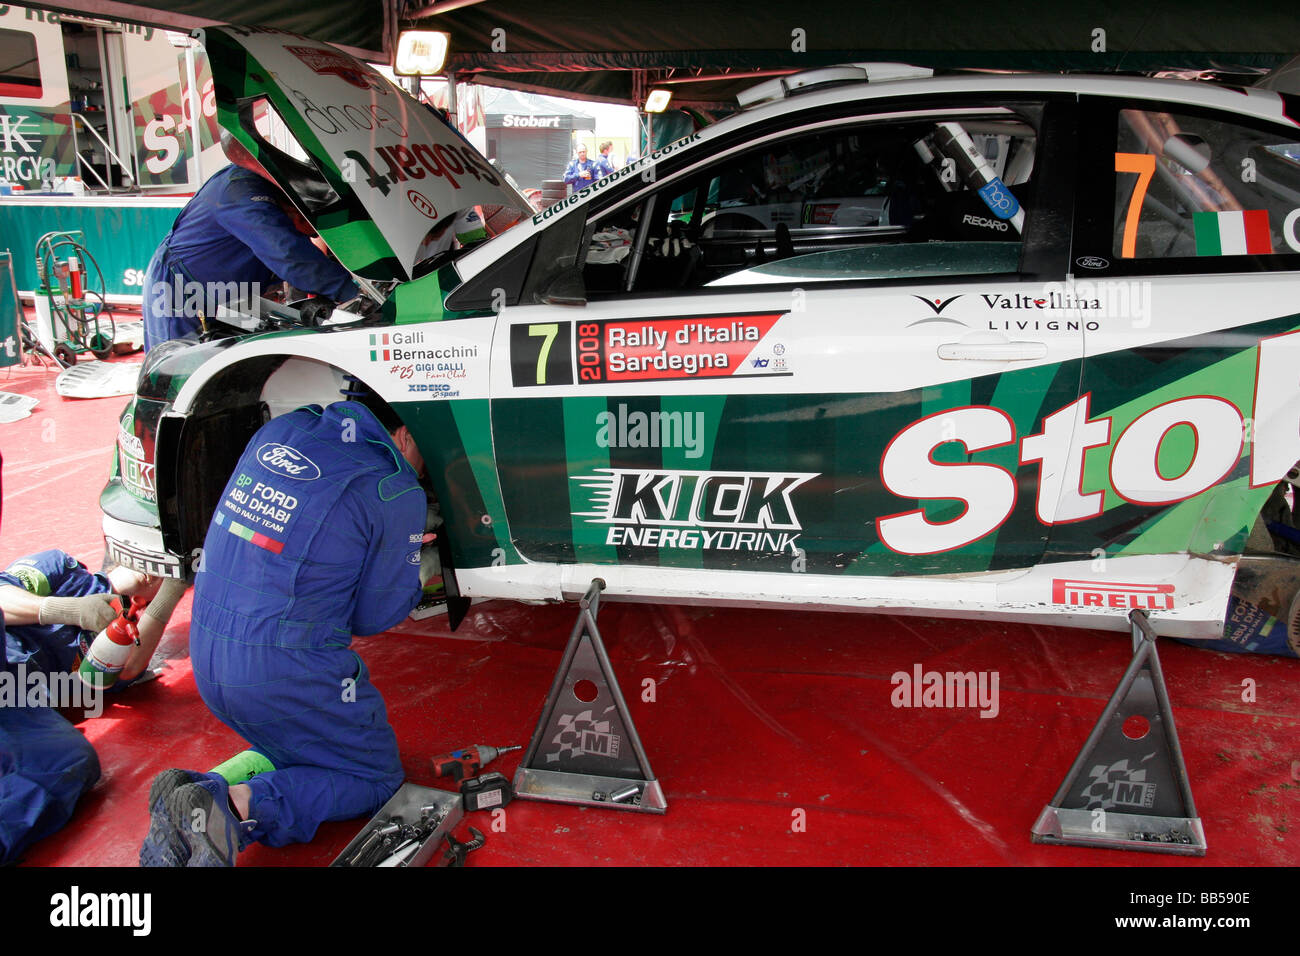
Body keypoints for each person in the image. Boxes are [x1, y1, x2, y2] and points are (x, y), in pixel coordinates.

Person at [142, 392, 428, 866]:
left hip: (207, 658)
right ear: (406, 434)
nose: (420, 469)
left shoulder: (282, 430)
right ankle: (230, 808)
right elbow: (373, 617)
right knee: (375, 778)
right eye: (423, 455)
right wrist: (409, 561)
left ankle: (192, 797)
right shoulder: (393, 487)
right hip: (281, 675)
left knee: (302, 744)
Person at [0, 551, 178, 864]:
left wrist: (169, 594)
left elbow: (130, 667)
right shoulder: (61, 569)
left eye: (161, 572)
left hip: (19, 703)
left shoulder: (129, 631)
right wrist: (64, 609)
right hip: (7, 655)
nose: (151, 576)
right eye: (150, 562)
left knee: (70, 761)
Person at [141, 131, 359, 351]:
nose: (311, 236)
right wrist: (352, 292)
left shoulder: (269, 193)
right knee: (180, 370)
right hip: (181, 291)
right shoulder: (240, 192)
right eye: (308, 227)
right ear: (295, 206)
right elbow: (290, 255)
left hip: (236, 296)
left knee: (250, 360)